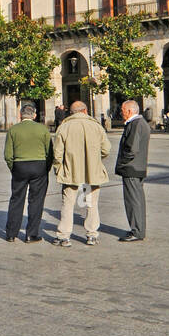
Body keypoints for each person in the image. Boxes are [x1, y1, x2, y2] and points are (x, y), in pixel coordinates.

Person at [52, 101, 110, 247]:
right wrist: (95, 160)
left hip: (71, 171)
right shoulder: (96, 126)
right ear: (85, 111)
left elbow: (57, 153)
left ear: (71, 113)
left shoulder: (64, 127)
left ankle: (64, 236)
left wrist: (58, 169)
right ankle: (92, 235)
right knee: (91, 203)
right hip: (92, 171)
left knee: (68, 203)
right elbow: (106, 149)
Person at [3, 103, 53, 242]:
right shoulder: (42, 129)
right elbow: (50, 152)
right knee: (36, 200)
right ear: (35, 115)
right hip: (39, 165)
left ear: (20, 115)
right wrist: (46, 168)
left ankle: (11, 234)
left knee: (16, 199)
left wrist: (13, 167)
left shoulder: (13, 130)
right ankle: (31, 234)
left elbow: (8, 154)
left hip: (20, 166)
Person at [115, 100, 150, 242]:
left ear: (129, 111)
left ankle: (136, 231)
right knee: (138, 200)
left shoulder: (135, 124)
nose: (121, 112)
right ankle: (139, 229)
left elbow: (132, 148)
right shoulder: (141, 123)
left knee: (133, 201)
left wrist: (123, 163)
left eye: (123, 110)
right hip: (138, 167)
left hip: (131, 168)